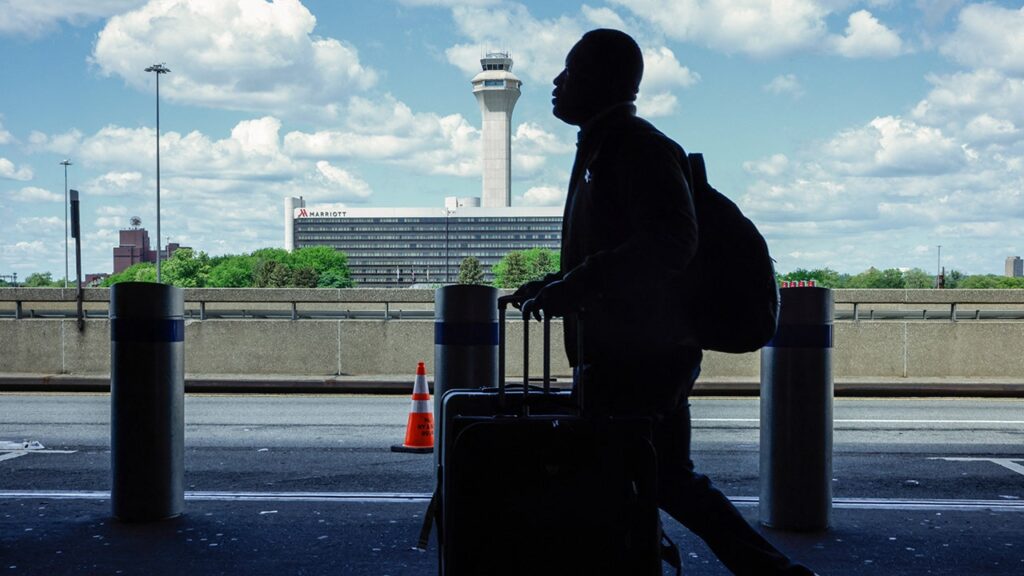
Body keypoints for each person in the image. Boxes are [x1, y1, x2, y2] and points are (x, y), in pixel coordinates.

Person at [514, 29, 816, 576]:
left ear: (605, 81)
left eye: (570, 70)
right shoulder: (605, 147)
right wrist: (552, 283)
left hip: (639, 353)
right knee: (661, 477)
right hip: (637, 348)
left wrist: (578, 286)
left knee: (624, 478)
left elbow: (670, 242)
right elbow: (616, 248)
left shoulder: (635, 147)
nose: (557, 83)